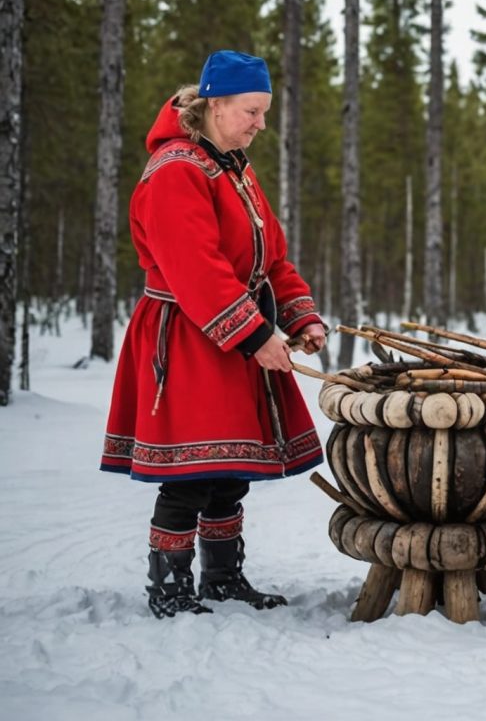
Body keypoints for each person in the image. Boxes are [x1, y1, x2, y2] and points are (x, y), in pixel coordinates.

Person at [101, 50, 327, 619]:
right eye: (252, 111)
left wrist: (302, 317)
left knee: (228, 472)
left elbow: (271, 255)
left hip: (229, 336)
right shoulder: (176, 170)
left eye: (265, 112)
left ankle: (222, 579)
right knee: (190, 474)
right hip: (186, 338)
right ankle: (169, 589)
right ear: (215, 104)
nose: (260, 124)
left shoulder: (233, 166)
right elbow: (195, 268)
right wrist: (255, 335)